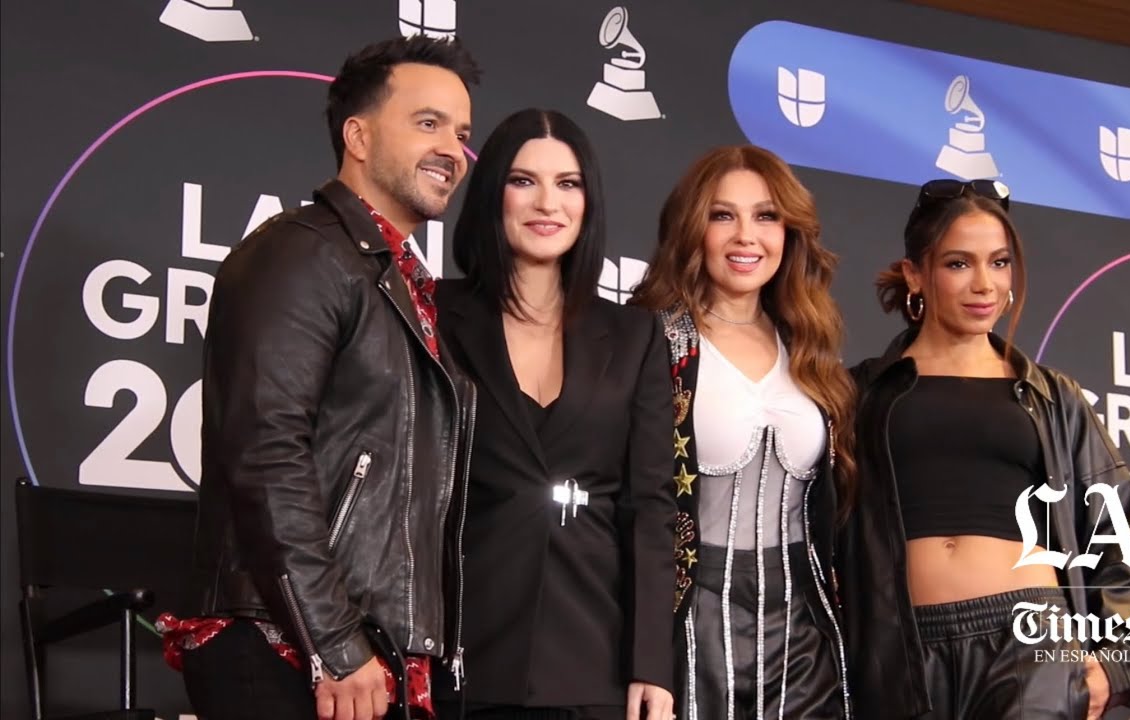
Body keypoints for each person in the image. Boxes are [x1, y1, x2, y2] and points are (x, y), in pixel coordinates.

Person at [157, 35, 481, 720]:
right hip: (288, 648)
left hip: (364, 648)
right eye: (427, 123)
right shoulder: (300, 253)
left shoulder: (399, 283)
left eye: (461, 132)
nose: (452, 149)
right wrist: (334, 640)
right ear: (357, 136)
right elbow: (268, 456)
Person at [844, 179, 1130, 719]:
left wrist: (1114, 659)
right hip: (900, 654)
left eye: (1000, 262)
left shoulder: (1052, 396)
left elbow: (1116, 531)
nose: (984, 284)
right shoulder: (858, 394)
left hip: (1032, 641)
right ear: (915, 273)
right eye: (959, 264)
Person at [432, 108, 676, 720]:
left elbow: (650, 507)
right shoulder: (432, 312)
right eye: (523, 180)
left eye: (568, 184)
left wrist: (651, 662)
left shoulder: (637, 335)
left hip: (595, 653)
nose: (548, 202)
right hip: (462, 645)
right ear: (492, 195)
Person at [629, 145, 857, 719]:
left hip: (804, 633)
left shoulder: (807, 347)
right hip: (688, 623)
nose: (746, 236)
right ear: (692, 227)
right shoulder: (653, 340)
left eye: (766, 215)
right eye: (722, 215)